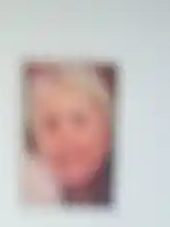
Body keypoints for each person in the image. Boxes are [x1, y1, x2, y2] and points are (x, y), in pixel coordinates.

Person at [21, 63, 115, 206]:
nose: (65, 137)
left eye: (79, 121)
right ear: (36, 143)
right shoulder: (33, 192)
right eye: (51, 125)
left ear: (107, 132)